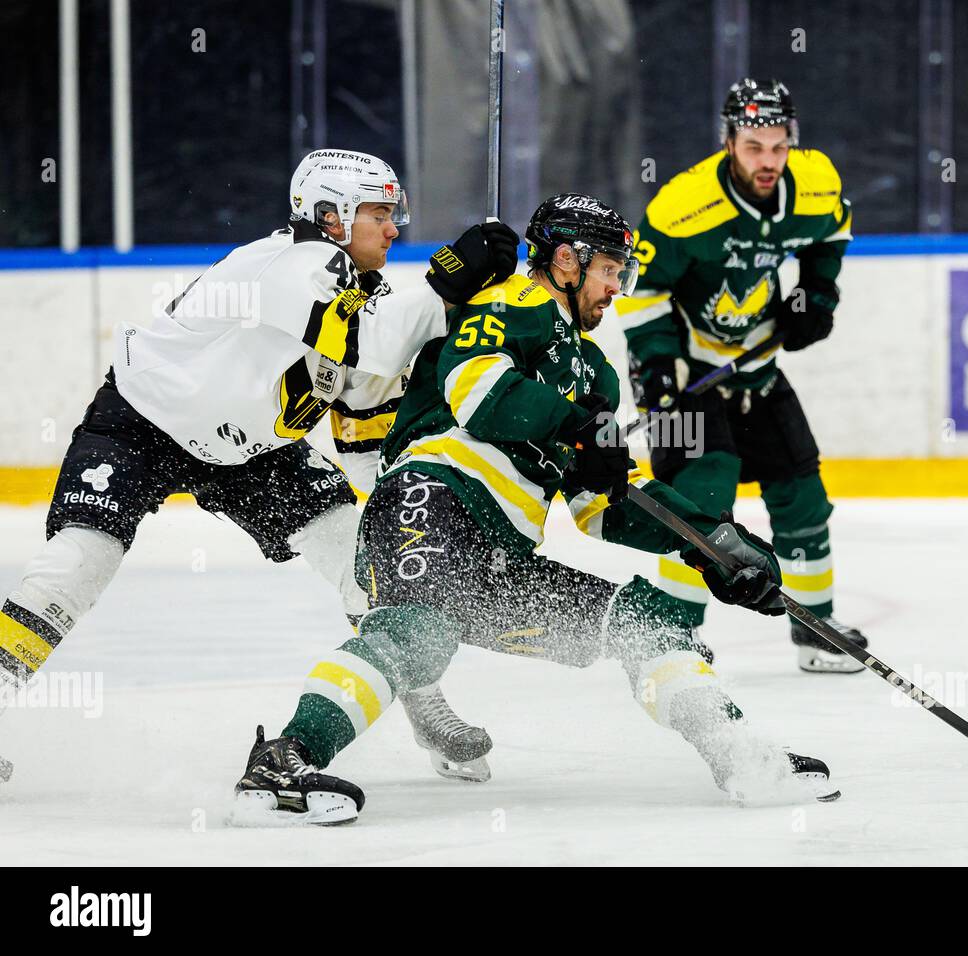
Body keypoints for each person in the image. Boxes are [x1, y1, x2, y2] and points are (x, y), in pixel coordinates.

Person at [232, 194, 839, 825]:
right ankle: (283, 761)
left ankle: (742, 757)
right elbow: (477, 390)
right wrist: (579, 430)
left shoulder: (597, 373)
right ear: (568, 260)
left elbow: (599, 506)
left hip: (500, 559)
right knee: (419, 632)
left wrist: (709, 544)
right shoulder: (509, 303)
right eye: (609, 269)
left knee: (644, 624)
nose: (617, 287)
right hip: (429, 504)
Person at [0, 150, 517, 784]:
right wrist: (449, 279)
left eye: (393, 214)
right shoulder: (293, 264)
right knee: (77, 565)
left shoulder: (358, 290)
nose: (393, 229)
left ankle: (425, 706)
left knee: (364, 563)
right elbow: (369, 337)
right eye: (380, 213)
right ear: (331, 215)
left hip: (256, 453)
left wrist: (383, 509)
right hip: (142, 425)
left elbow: (359, 410)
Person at [618, 78, 868, 674]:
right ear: (729, 140)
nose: (768, 161)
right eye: (755, 146)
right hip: (684, 372)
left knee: (801, 490)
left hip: (755, 365)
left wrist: (815, 295)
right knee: (700, 500)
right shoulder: (685, 205)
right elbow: (642, 290)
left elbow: (830, 234)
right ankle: (668, 632)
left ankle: (814, 628)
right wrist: (654, 365)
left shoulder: (814, 184)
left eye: (779, 147)